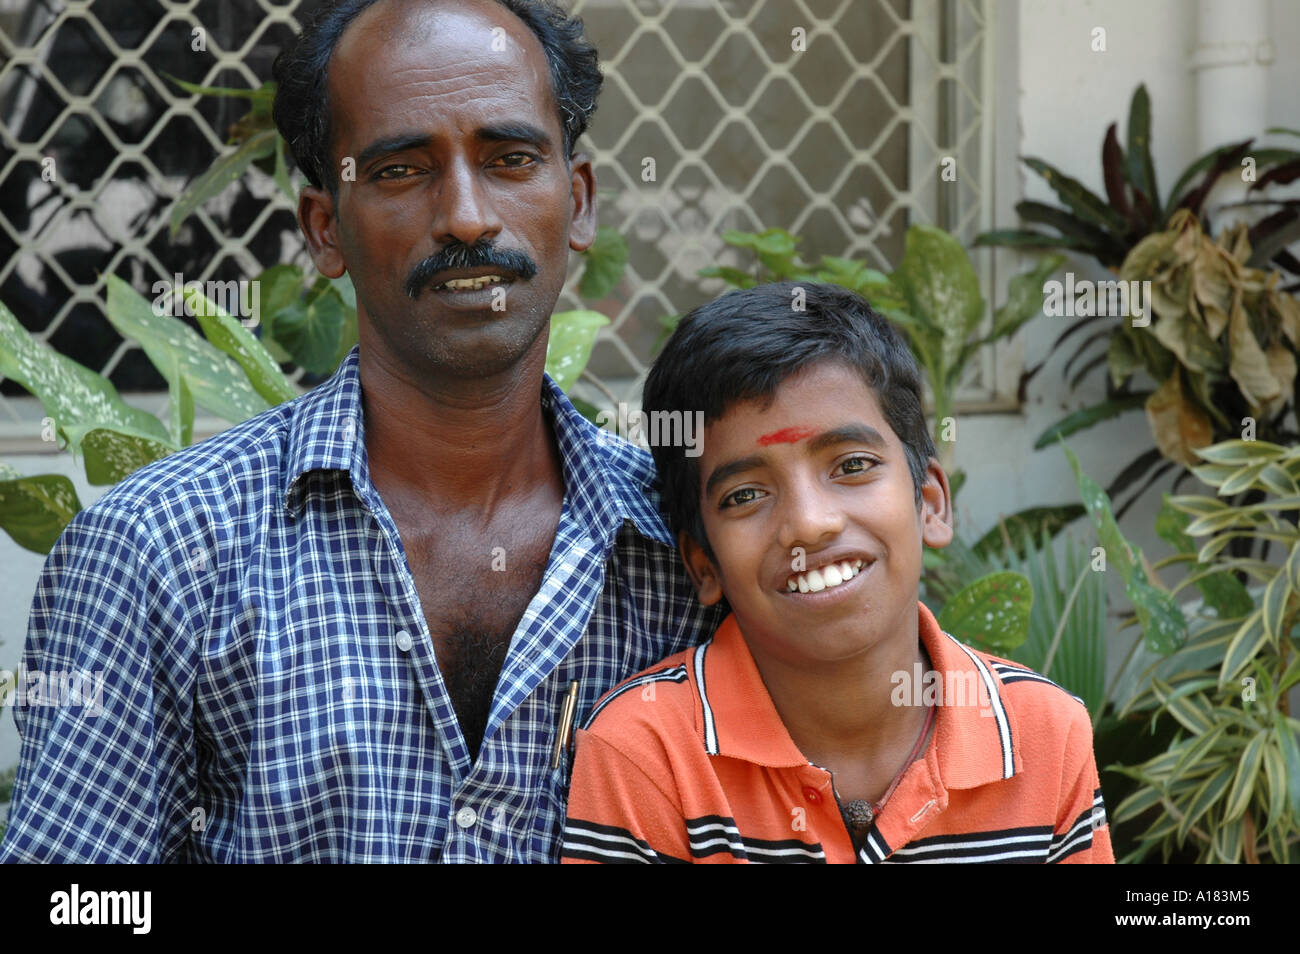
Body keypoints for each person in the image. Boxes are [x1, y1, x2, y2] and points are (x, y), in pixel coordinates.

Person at [0, 0, 722, 863]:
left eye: (510, 159)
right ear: (323, 230)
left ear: (577, 203)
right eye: (400, 171)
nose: (465, 216)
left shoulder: (696, 548)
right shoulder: (158, 551)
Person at [560, 282, 1115, 864]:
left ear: (929, 502)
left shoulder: (1044, 735)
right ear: (703, 564)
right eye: (745, 494)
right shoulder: (648, 753)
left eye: (851, 465)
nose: (809, 524)